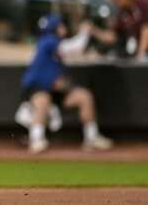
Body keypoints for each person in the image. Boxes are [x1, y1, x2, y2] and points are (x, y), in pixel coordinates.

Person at [21, 14, 113, 154]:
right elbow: (75, 47)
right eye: (60, 25)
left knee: (84, 97)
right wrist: (84, 32)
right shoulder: (48, 41)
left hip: (55, 91)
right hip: (37, 90)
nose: (63, 27)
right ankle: (36, 139)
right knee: (42, 100)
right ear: (54, 28)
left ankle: (91, 137)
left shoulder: (52, 45)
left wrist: (64, 85)